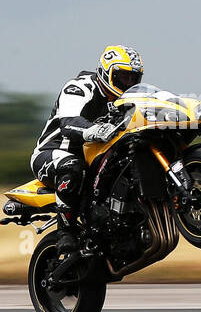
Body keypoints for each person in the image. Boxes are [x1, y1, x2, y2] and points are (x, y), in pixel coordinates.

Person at [30, 45, 144, 255]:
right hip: (53, 153)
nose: (128, 83)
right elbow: (68, 122)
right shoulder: (79, 87)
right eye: (122, 77)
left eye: (133, 79)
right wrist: (95, 130)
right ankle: (66, 230)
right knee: (73, 167)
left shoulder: (126, 102)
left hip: (93, 157)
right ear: (106, 72)